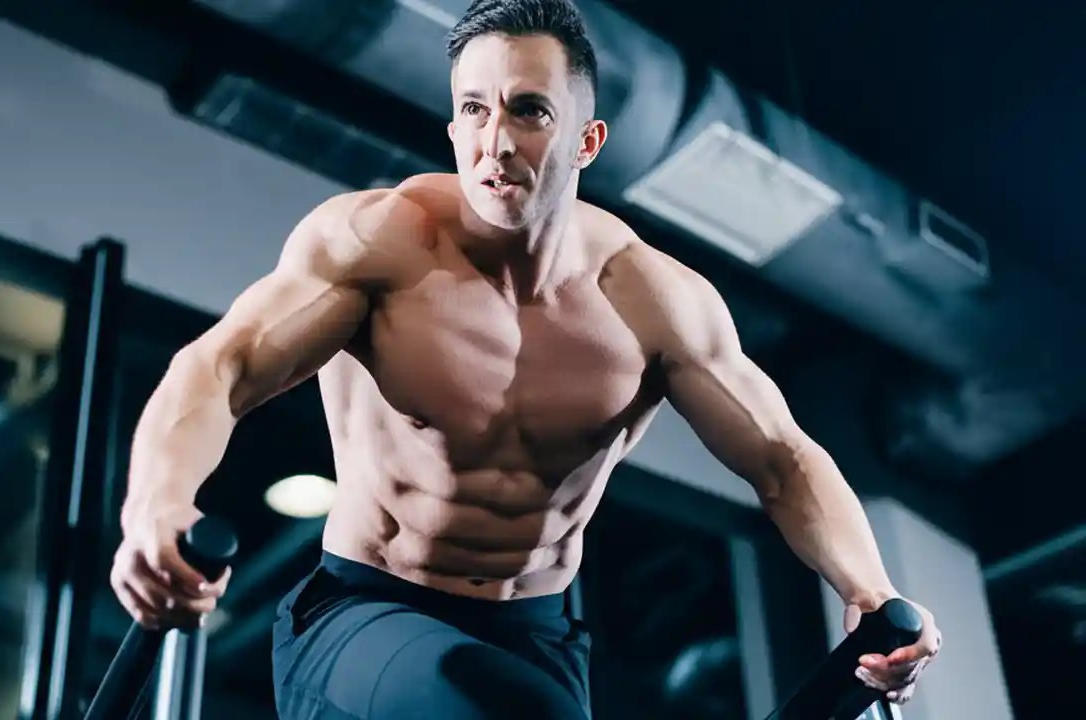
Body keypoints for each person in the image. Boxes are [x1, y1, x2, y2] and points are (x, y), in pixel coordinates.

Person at [110, 0, 943, 716]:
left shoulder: (651, 300)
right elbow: (220, 368)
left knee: (513, 700)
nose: (494, 142)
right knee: (503, 705)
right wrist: (156, 505)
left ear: (586, 140)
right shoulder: (377, 246)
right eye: (473, 109)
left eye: (529, 111)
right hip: (363, 612)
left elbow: (780, 457)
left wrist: (868, 587)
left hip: (535, 635)